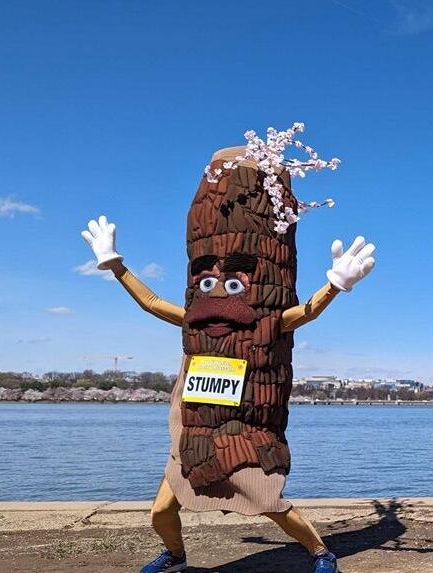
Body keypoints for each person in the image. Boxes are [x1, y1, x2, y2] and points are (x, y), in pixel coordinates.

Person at [80, 147, 375, 573]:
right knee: (161, 511)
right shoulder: (194, 326)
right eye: (207, 281)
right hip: (195, 433)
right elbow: (152, 303)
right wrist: (115, 265)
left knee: (269, 502)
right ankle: (175, 556)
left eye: (233, 283)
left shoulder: (265, 326)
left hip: (243, 432)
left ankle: (320, 552)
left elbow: (303, 312)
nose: (217, 292)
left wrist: (334, 285)